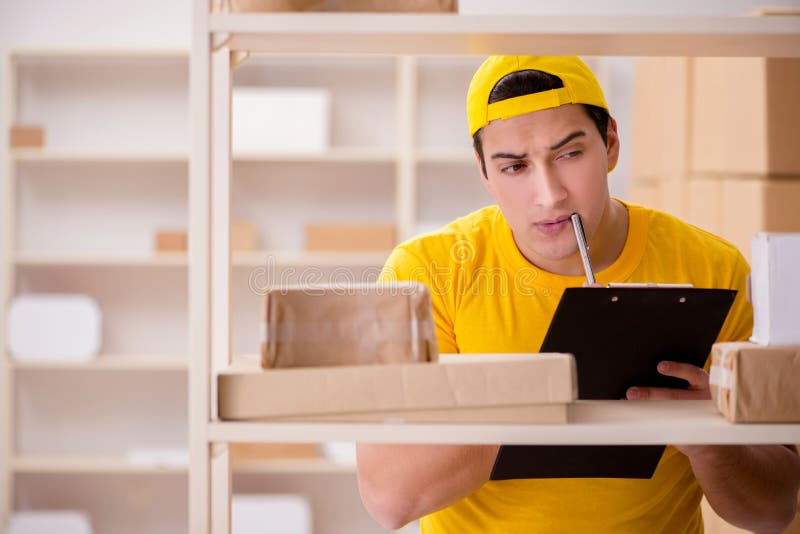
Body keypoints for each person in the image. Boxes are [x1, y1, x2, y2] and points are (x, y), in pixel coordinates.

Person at [355, 56, 800, 533]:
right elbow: (388, 499)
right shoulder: (428, 273)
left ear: (609, 143)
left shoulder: (713, 269)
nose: (549, 195)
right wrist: (541, 400)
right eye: (514, 167)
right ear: (484, 173)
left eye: (569, 155)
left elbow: (773, 513)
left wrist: (710, 441)